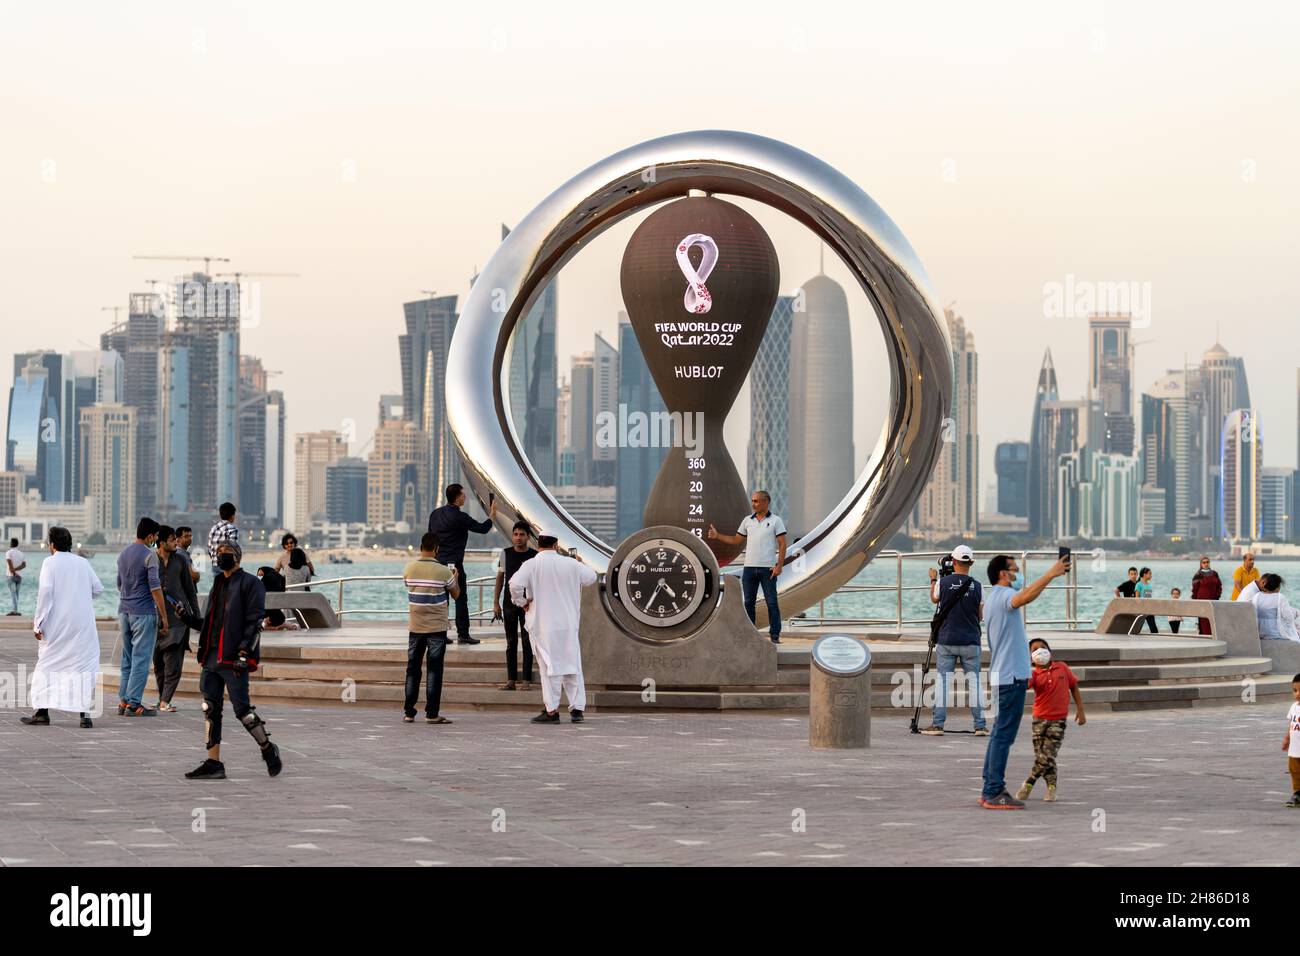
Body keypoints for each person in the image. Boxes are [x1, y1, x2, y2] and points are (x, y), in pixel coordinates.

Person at [178, 542, 282, 780]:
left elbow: (255, 622)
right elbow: (211, 621)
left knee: (242, 711)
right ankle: (214, 762)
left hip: (234, 659)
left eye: (227, 553)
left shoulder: (251, 583)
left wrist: (244, 653)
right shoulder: (218, 583)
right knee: (210, 709)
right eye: (219, 553)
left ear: (237, 557)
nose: (221, 556)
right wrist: (188, 619)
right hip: (211, 657)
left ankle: (267, 748)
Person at [979, 552, 1071, 810]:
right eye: (1015, 569)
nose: (1018, 573)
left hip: (1003, 675)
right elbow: (1025, 596)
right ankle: (993, 791)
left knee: (999, 733)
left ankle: (989, 787)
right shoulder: (1006, 596)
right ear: (1003, 574)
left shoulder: (992, 599)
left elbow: (1025, 595)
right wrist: (1051, 574)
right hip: (1011, 677)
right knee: (1003, 736)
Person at [509, 534, 598, 724]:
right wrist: (580, 563)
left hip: (543, 624)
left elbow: (514, 584)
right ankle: (577, 709)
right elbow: (591, 577)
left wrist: (522, 603)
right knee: (573, 666)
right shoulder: (571, 564)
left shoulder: (531, 564)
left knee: (549, 667)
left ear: (538, 544)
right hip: (568, 624)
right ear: (556, 545)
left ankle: (551, 711)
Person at [19, 527, 102, 729]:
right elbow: (98, 589)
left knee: (47, 666)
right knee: (81, 667)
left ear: (52, 545)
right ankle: (85, 716)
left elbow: (45, 593)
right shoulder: (83, 563)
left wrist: (38, 623)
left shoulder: (50, 562)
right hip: (83, 626)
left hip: (58, 626)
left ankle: (42, 713)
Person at [920, 544, 987, 736]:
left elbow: (934, 599)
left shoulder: (944, 582)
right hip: (971, 641)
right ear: (971, 562)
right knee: (974, 683)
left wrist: (934, 579)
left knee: (942, 682)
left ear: (953, 561)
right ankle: (980, 725)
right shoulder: (978, 586)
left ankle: (938, 724)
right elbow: (981, 615)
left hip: (947, 639)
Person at [706, 490, 787, 643]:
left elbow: (782, 544)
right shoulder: (747, 521)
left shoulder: (776, 521)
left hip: (767, 569)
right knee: (748, 602)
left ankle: (774, 636)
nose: (753, 504)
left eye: (756, 501)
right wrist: (718, 536)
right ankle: (750, 634)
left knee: (772, 602)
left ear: (765, 502)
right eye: (753, 501)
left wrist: (779, 566)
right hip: (749, 568)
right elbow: (736, 540)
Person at [1015, 638, 1086, 802]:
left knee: (1047, 754)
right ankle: (1051, 788)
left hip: (1058, 720)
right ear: (1031, 657)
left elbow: (1074, 686)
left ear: (1049, 650)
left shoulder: (1062, 667)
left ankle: (1029, 783)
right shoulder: (1032, 673)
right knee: (1044, 756)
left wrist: (1080, 710)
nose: (1039, 651)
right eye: (1034, 649)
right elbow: (1023, 686)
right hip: (1039, 719)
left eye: (1042, 647)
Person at [427, 483, 497, 645]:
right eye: (463, 496)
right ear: (457, 498)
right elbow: (483, 528)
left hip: (437, 563)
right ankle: (463, 634)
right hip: (454, 565)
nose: (465, 498)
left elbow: (430, 537)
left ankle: (440, 634)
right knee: (460, 598)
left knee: (441, 600)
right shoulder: (460, 517)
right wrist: (492, 514)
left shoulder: (435, 514)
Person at [402, 532, 460, 724]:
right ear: (437, 549)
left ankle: (409, 712)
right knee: (434, 671)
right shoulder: (444, 571)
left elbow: (408, 586)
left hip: (415, 627)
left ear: (420, 548)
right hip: (436, 628)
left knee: (413, 670)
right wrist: (455, 578)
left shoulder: (409, 569)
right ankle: (432, 714)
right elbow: (456, 594)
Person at [116, 518, 168, 717]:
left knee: (127, 658)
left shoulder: (123, 554)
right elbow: (155, 587)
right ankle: (134, 704)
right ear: (150, 536)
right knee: (141, 659)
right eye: (155, 536)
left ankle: (123, 700)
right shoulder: (150, 555)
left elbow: (119, 584)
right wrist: (164, 616)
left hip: (124, 611)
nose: (155, 540)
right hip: (144, 612)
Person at [154, 525, 198, 713]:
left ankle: (165, 700)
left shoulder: (179, 560)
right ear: (162, 543)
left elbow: (190, 591)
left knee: (174, 662)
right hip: (155, 619)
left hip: (179, 619)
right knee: (159, 663)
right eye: (172, 540)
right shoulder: (150, 560)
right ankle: (162, 698)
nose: (176, 543)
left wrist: (195, 617)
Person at [493, 521, 538, 690]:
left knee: (527, 641)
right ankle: (511, 680)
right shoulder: (505, 553)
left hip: (528, 604)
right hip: (509, 604)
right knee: (511, 642)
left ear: (528, 537)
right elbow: (500, 578)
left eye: (522, 535)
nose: (518, 538)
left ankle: (526, 680)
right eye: (515, 534)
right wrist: (495, 602)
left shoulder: (534, 556)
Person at [1251, 574, 1300, 643]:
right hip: (1273, 632)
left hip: (1259, 631)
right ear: (1277, 587)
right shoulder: (1280, 597)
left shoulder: (1257, 596)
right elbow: (1288, 617)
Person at [206, 502, 239, 580]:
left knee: (218, 588)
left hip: (215, 564)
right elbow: (232, 549)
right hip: (228, 567)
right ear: (232, 516)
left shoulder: (213, 528)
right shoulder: (232, 529)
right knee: (229, 590)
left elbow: (209, 548)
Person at [1190, 555, 1222, 635]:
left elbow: (1219, 586)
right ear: (1201, 564)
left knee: (1213, 619)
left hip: (1213, 600)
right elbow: (1194, 589)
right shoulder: (1198, 575)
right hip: (1202, 600)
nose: (1206, 564)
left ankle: (1213, 636)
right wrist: (1195, 600)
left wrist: (1217, 596)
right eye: (1204, 562)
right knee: (1203, 620)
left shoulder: (1215, 574)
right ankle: (1204, 636)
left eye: (1207, 562)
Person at [1283, 675, 1300, 809]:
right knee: (1294, 771)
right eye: (1295, 690)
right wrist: (1287, 739)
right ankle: (1297, 793)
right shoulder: (1294, 707)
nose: (1297, 694)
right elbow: (1291, 725)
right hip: (1294, 749)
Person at [5, 537, 26, 616]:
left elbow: (10, 566)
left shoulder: (8, 553)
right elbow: (24, 565)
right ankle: (15, 610)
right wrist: (17, 570)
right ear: (17, 544)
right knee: (16, 593)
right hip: (19, 576)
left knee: (13, 594)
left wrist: (13, 571)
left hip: (11, 576)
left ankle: (14, 611)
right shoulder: (21, 554)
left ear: (11, 544)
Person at [1135, 567, 1158, 633]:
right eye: (1149, 573)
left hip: (1149, 608)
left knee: (1153, 627)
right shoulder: (1139, 584)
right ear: (1144, 574)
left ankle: (1156, 640)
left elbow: (1148, 597)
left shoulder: (1149, 585)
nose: (1151, 575)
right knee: (1138, 627)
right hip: (1141, 609)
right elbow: (1137, 598)